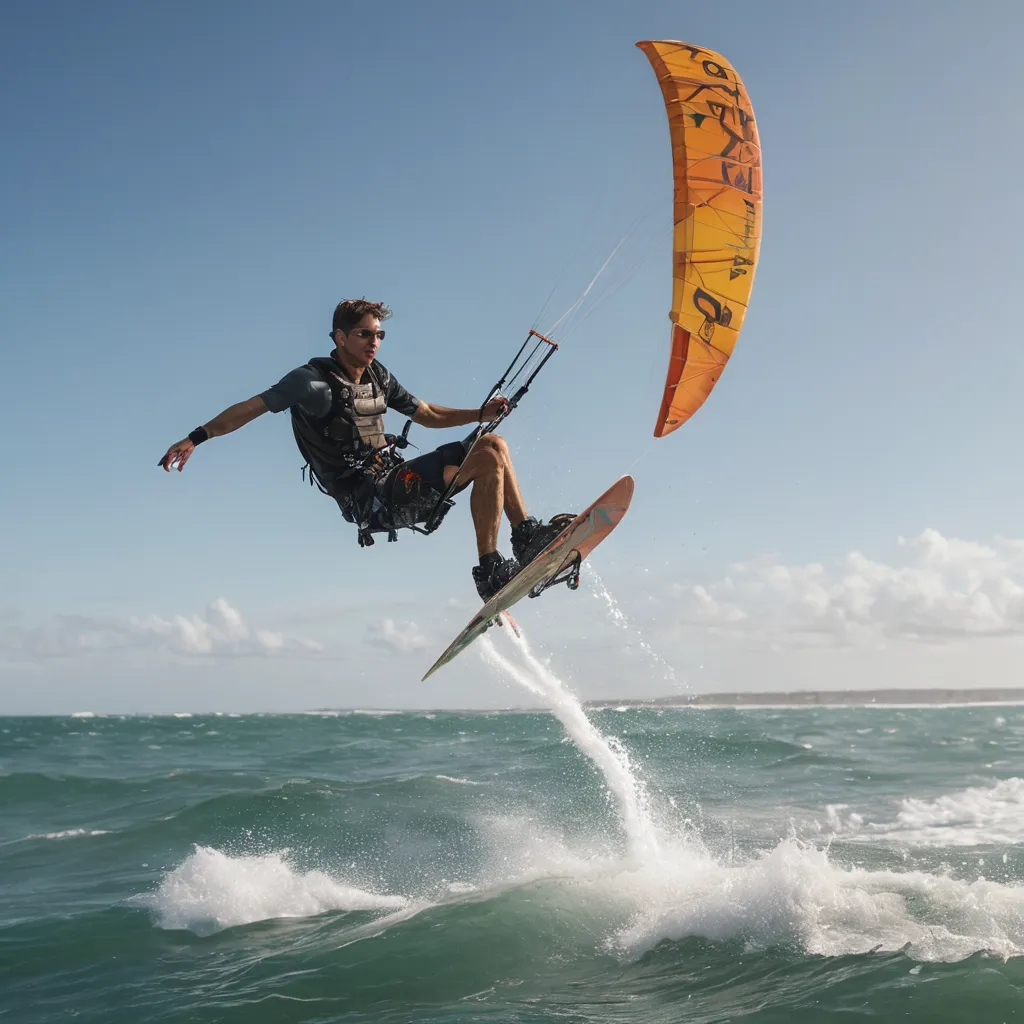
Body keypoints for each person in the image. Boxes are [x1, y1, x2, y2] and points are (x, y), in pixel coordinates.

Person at [159, 298, 573, 600]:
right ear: (340, 337)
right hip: (370, 499)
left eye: (379, 334)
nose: (374, 341)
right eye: (364, 334)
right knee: (485, 457)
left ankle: (525, 538)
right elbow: (251, 407)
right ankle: (489, 571)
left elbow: (427, 413)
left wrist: (480, 414)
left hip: (394, 478)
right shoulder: (310, 382)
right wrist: (197, 437)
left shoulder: (378, 376)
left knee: (494, 443)